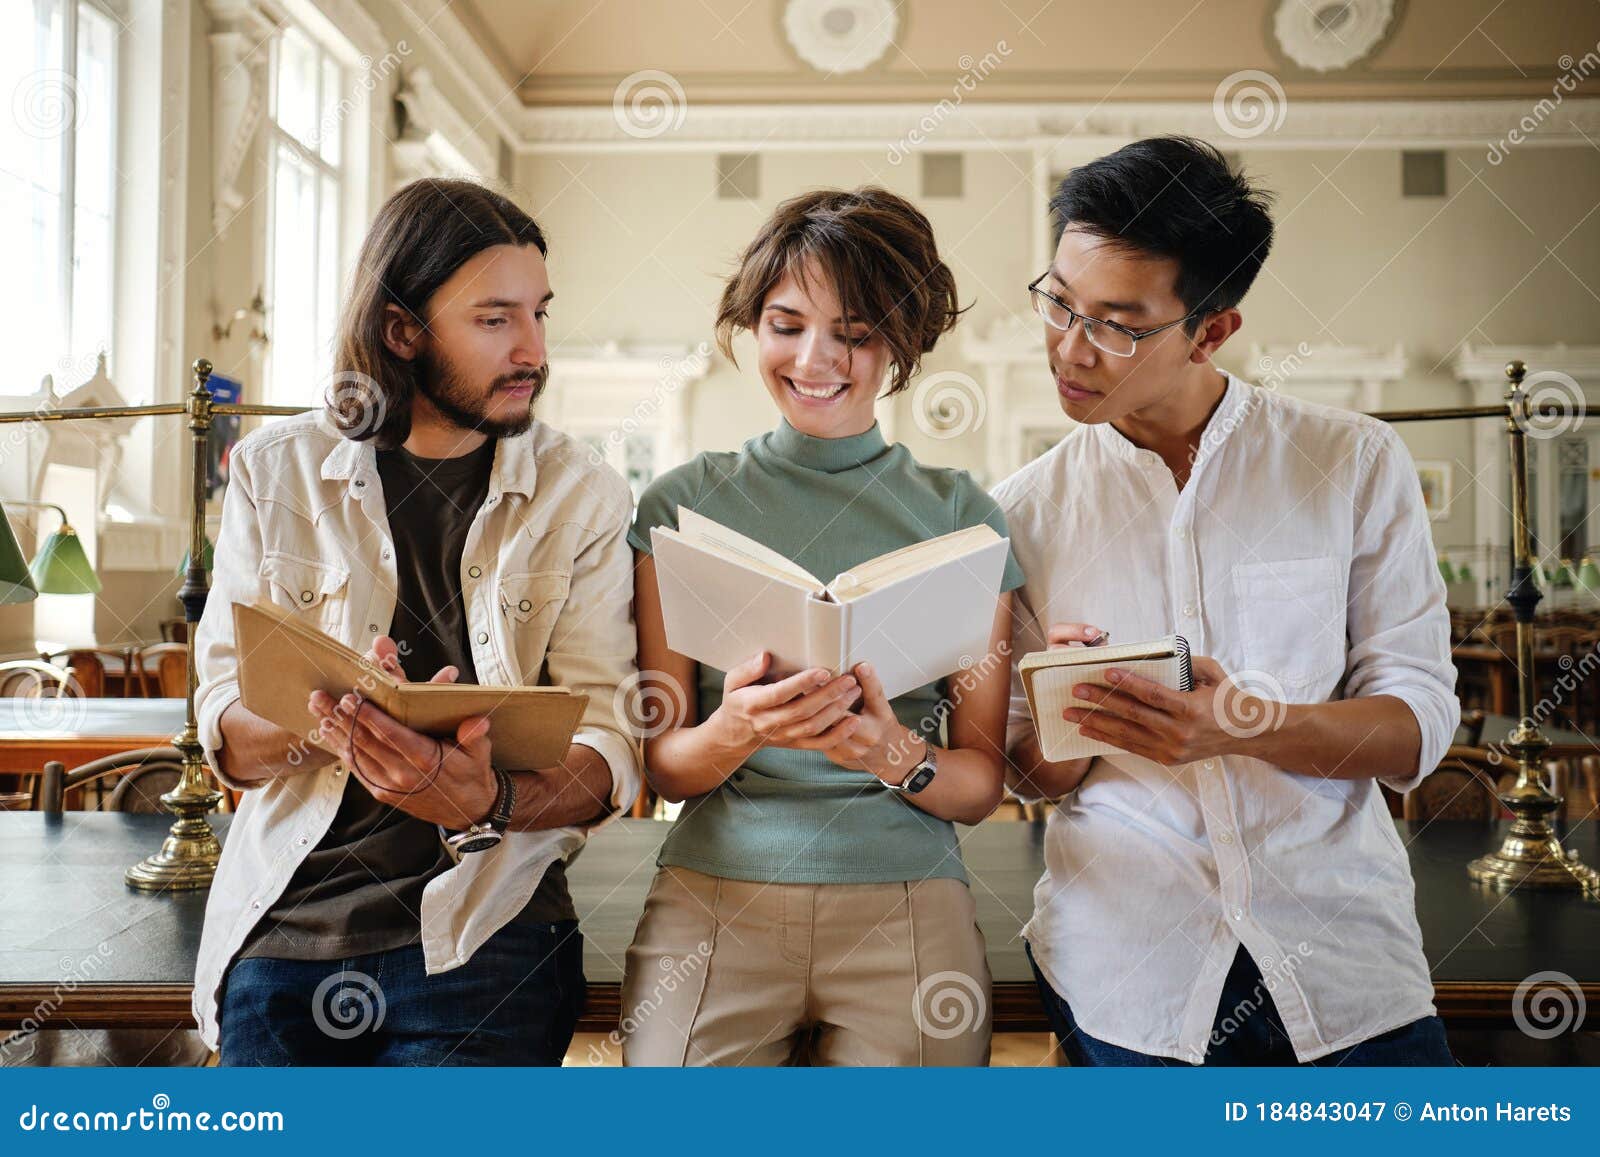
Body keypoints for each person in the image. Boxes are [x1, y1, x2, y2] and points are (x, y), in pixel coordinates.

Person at [996, 137, 1458, 1066]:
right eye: (1059, 303)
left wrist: (1240, 724)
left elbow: (1417, 726)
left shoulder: (1353, 462)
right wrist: (1065, 713)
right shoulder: (1023, 510)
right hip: (1126, 966)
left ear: (1211, 331)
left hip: (1342, 959)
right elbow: (1028, 774)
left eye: (1118, 325)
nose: (1070, 349)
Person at [191, 178, 641, 1065]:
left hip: (489, 927)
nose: (533, 350)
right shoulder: (274, 472)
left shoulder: (582, 493)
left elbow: (612, 751)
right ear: (402, 330)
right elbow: (228, 738)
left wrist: (490, 797)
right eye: (495, 319)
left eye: (540, 314)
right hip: (282, 931)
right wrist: (339, 722)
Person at [621, 187, 1024, 1066]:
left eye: (853, 331)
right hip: (715, 891)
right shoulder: (680, 505)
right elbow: (665, 765)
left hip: (908, 893)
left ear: (900, 345)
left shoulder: (963, 516)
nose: (814, 357)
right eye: (784, 322)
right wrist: (737, 728)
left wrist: (886, 750)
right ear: (752, 327)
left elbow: (981, 780)